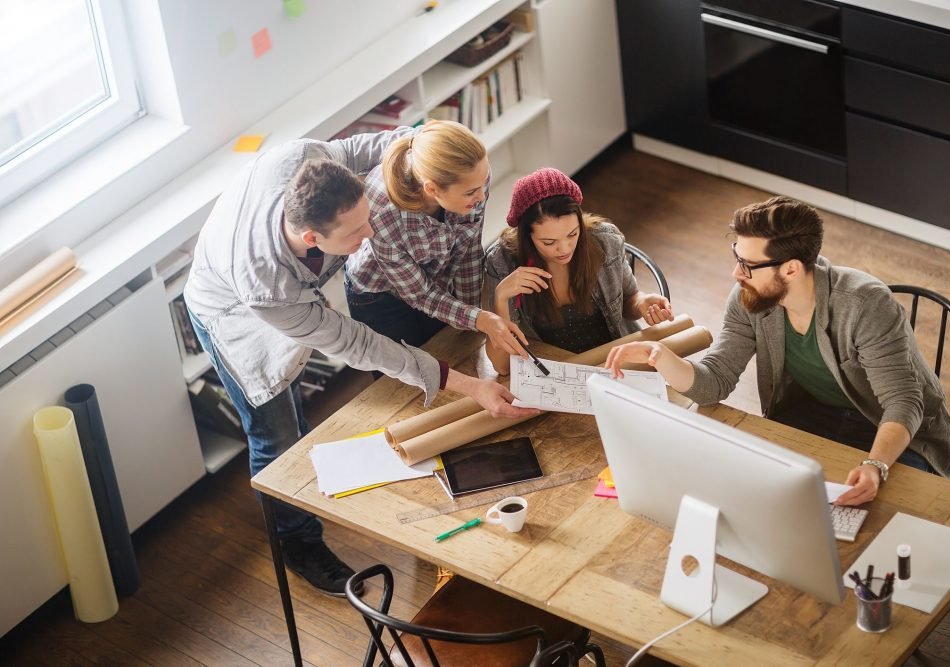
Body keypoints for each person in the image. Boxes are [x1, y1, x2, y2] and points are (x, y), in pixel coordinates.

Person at [184, 130, 537, 598]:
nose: (372, 234)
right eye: (357, 232)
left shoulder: (304, 157)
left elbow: (388, 144)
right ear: (312, 238)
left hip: (288, 287)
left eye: (368, 219)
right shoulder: (268, 289)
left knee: (306, 415)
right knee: (277, 434)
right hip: (229, 311)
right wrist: (471, 388)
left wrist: (432, 148)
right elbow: (364, 345)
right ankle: (298, 542)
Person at [605, 196, 950, 506]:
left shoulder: (865, 304)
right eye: (736, 257)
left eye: (747, 264)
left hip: (893, 432)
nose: (735, 273)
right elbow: (714, 382)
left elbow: (903, 402)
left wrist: (875, 466)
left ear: (791, 269)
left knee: (883, 522)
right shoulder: (750, 299)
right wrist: (660, 355)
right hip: (813, 419)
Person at [344, 120, 525, 363]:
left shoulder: (473, 176)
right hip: (380, 296)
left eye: (482, 185)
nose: (481, 196)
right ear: (432, 190)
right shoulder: (382, 212)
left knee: (450, 355)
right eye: (471, 193)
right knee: (410, 374)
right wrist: (479, 318)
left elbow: (469, 250)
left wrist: (471, 319)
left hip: (432, 276)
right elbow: (420, 295)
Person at [482, 167, 673, 374]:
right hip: (554, 372)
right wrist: (501, 297)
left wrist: (642, 303)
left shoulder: (604, 240)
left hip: (617, 361)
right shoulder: (501, 262)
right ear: (526, 238)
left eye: (573, 234)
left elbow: (629, 299)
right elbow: (502, 366)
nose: (564, 249)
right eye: (549, 242)